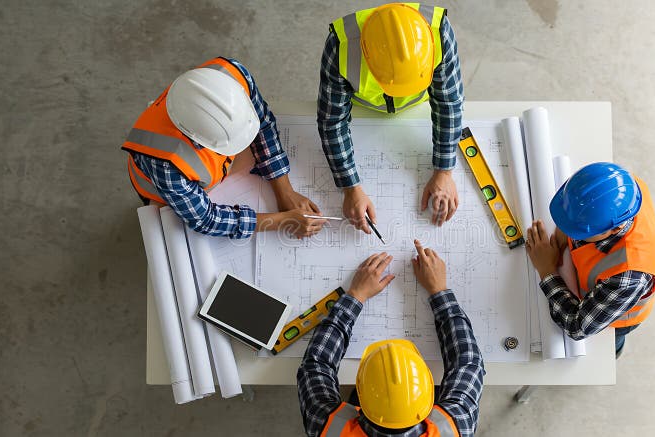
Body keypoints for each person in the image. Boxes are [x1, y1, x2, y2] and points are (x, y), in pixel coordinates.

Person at [122, 56, 327, 239]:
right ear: (198, 140)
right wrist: (282, 221)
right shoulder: (166, 163)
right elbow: (206, 220)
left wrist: (285, 191)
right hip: (163, 194)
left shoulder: (231, 75)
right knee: (166, 233)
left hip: (206, 171)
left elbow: (262, 126)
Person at [297, 241, 485, 436]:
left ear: (360, 387)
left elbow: (316, 364)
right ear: (428, 384)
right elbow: (468, 362)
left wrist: (356, 294)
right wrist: (439, 291)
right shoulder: (455, 426)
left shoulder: (327, 426)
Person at [317, 3, 464, 232]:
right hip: (365, 115)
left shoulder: (439, 32)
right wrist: (350, 187)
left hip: (416, 112)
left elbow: (448, 102)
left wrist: (444, 171)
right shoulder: (341, 47)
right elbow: (332, 122)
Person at [525, 162, 655, 357]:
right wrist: (562, 236)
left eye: (578, 230)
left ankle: (616, 351)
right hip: (607, 288)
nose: (568, 230)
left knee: (609, 349)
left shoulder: (629, 276)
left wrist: (547, 270)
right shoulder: (621, 186)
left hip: (617, 315)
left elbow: (576, 326)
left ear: (614, 229)